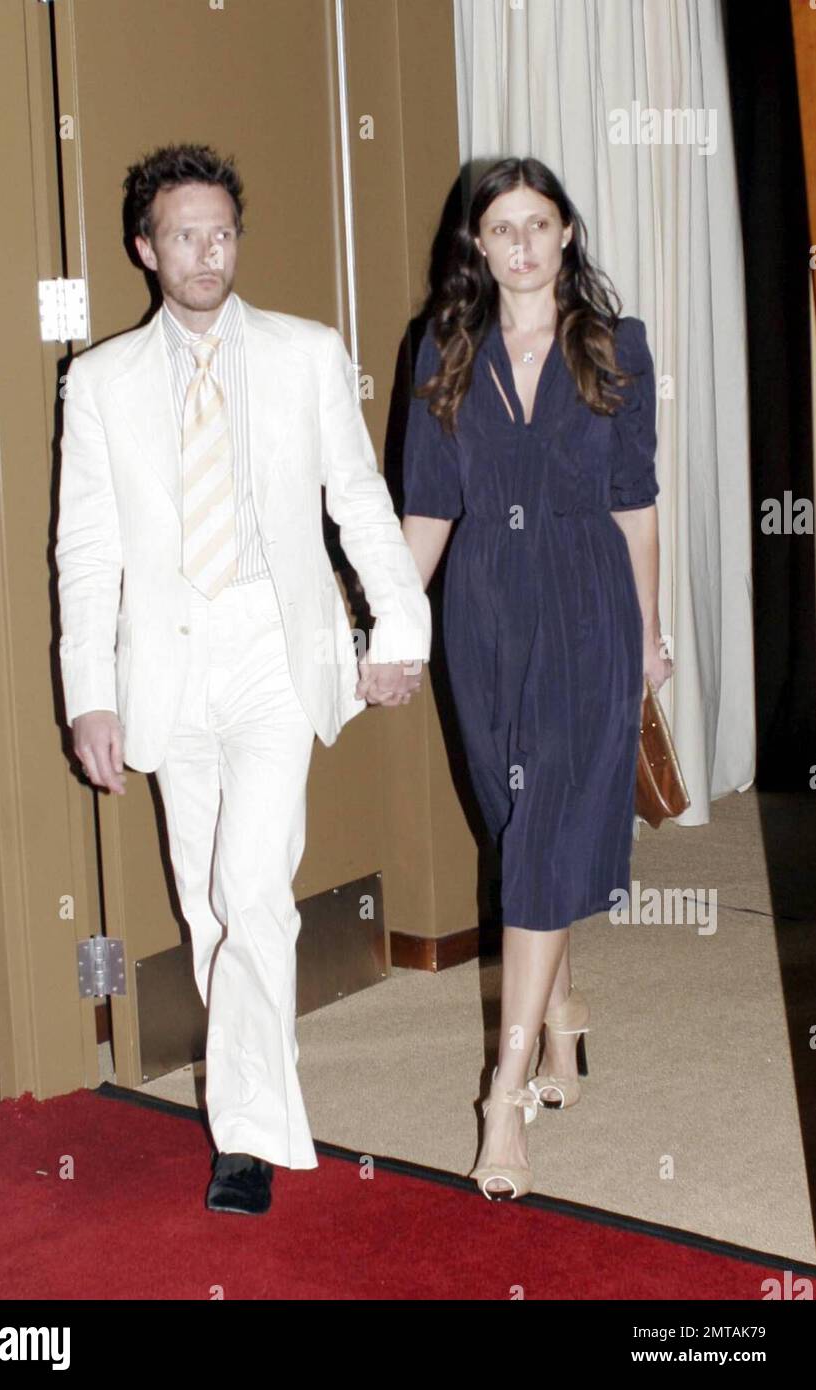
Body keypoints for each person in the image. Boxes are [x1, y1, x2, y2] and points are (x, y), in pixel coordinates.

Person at [55, 143, 429, 1216]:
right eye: (184, 234)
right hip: (170, 668)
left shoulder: (305, 354)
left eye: (222, 233)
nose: (206, 252)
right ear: (146, 248)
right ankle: (260, 1094)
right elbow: (84, 550)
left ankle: (248, 1139)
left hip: (276, 649)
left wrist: (397, 623)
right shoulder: (101, 382)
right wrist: (92, 693)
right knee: (208, 905)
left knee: (253, 887)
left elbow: (357, 496)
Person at [401, 156, 672, 1201]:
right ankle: (562, 1012)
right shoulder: (444, 348)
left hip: (588, 600)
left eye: (538, 223)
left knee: (549, 824)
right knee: (515, 821)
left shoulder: (614, 345)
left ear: (566, 235)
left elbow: (635, 501)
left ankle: (502, 1098)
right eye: (500, 227)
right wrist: (390, 629)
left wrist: (649, 632)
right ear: (477, 244)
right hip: (482, 606)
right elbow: (428, 505)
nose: (520, 243)